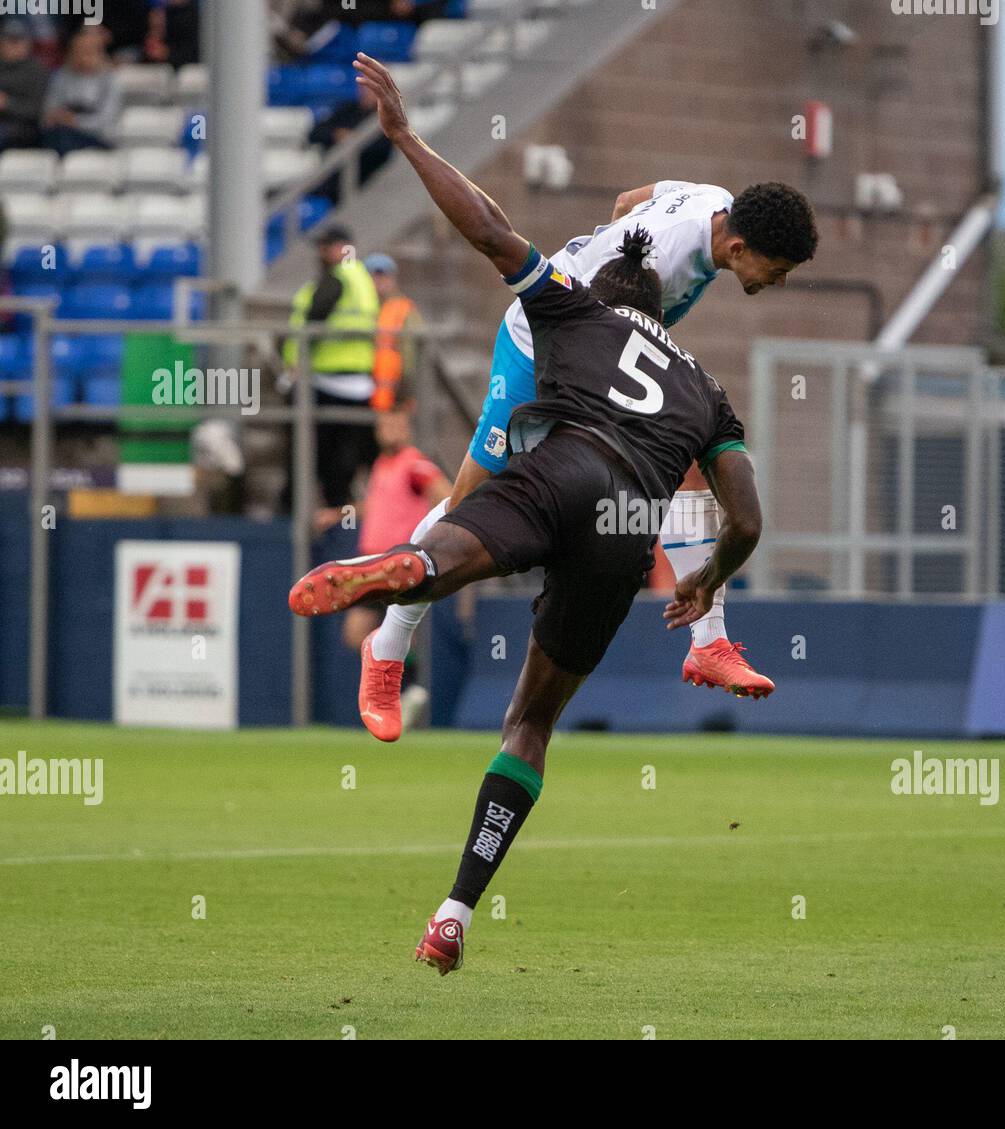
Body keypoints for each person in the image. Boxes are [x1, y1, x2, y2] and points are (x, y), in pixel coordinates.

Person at [288, 54, 764, 975]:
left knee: (466, 526)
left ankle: (400, 593)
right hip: (569, 402)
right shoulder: (697, 373)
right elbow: (745, 513)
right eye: (771, 272)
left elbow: (518, 223)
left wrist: (404, 137)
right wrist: (703, 586)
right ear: (741, 250)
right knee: (531, 701)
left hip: (572, 418)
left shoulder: (697, 207)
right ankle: (397, 670)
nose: (768, 285)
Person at [367, 176, 816, 723]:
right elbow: (599, 296)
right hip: (538, 340)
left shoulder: (715, 201)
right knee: (467, 507)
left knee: (692, 467)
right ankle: (388, 647)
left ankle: (709, 642)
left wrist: (608, 248)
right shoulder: (668, 258)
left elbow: (630, 200)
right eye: (779, 269)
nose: (781, 282)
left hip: (599, 346)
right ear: (740, 249)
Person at [315, 405, 451, 724]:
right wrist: (336, 515)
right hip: (374, 564)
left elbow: (445, 495)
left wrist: (433, 539)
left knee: (366, 630)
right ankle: (407, 689)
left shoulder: (414, 463)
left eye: (395, 425)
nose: (388, 431)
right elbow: (378, 506)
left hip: (397, 566)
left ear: (407, 428)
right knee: (363, 634)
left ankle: (406, 688)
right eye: (384, 425)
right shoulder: (383, 464)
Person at [282, 225, 381, 508]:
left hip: (328, 382)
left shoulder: (337, 279)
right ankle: (339, 516)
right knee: (345, 461)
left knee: (311, 457)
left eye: (326, 247)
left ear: (341, 248)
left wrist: (295, 363)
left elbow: (314, 320)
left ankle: (298, 513)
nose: (321, 253)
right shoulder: (362, 278)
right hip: (359, 383)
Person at [40, 27, 121, 156]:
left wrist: (75, 121)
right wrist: (56, 116)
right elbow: (49, 109)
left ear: (99, 53)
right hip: (62, 133)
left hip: (97, 138)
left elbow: (106, 120)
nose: (83, 57)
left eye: (88, 52)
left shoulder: (109, 79)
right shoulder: (62, 76)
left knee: (62, 139)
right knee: (55, 137)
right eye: (78, 51)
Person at [364, 253, 424, 411]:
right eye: (373, 276)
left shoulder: (404, 309)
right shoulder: (359, 309)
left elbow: (411, 354)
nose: (378, 281)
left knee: (394, 433)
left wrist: (407, 390)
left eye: (383, 276)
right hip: (360, 391)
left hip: (394, 393)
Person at [0, 20, 49, 153]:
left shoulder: (37, 71)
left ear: (28, 44)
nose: (12, 46)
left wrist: (7, 103)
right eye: (8, 41)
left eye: (17, 41)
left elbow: (38, 111)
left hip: (24, 129)